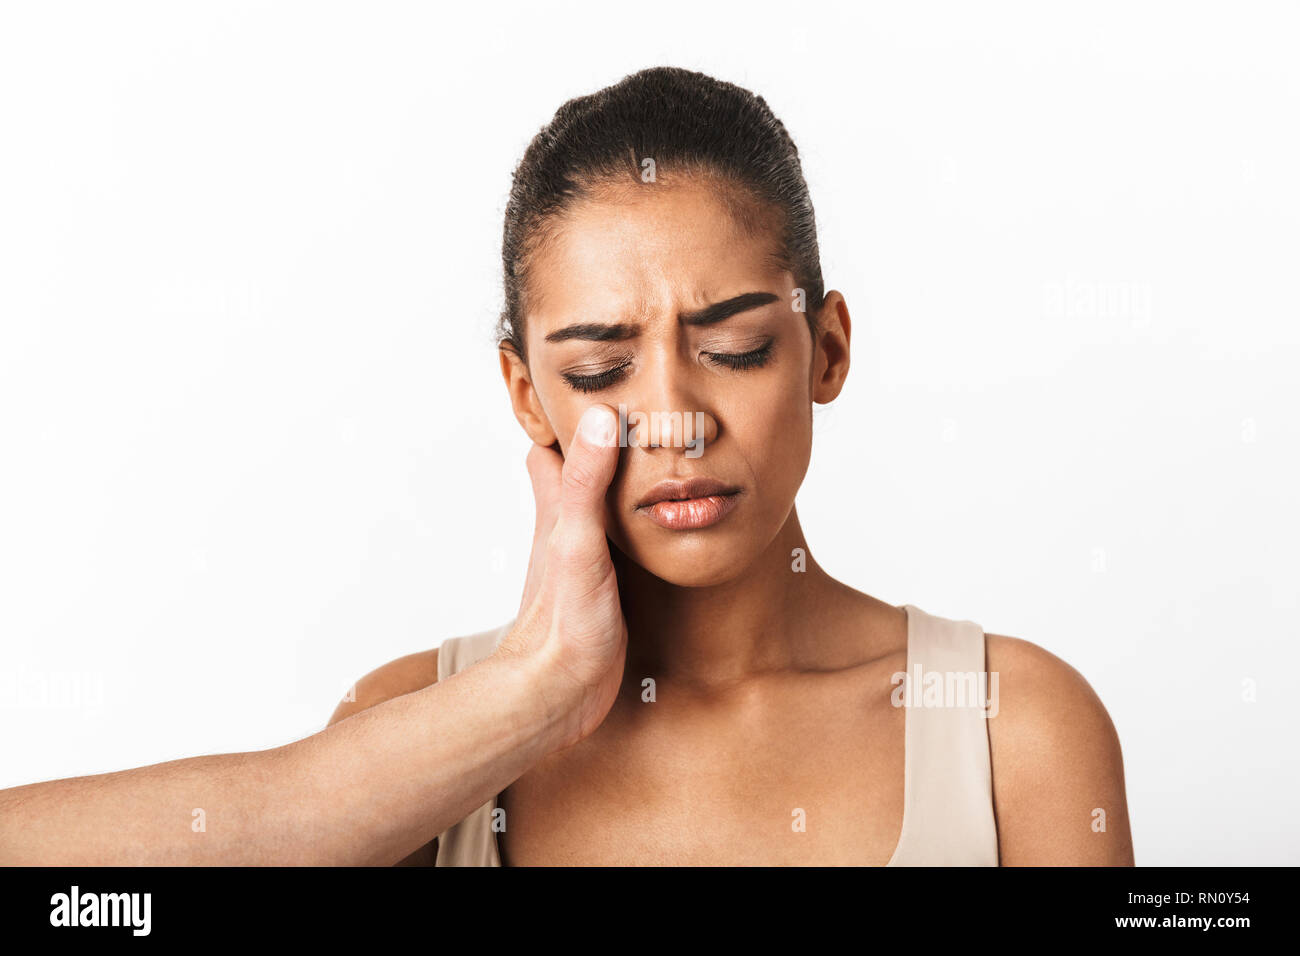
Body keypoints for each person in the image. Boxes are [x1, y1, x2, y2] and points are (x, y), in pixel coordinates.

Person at [0, 67, 1133, 866]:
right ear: (524, 392)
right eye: (599, 369)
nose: (675, 419)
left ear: (824, 348)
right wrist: (529, 694)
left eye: (734, 347)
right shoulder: (420, 719)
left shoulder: (1009, 725)